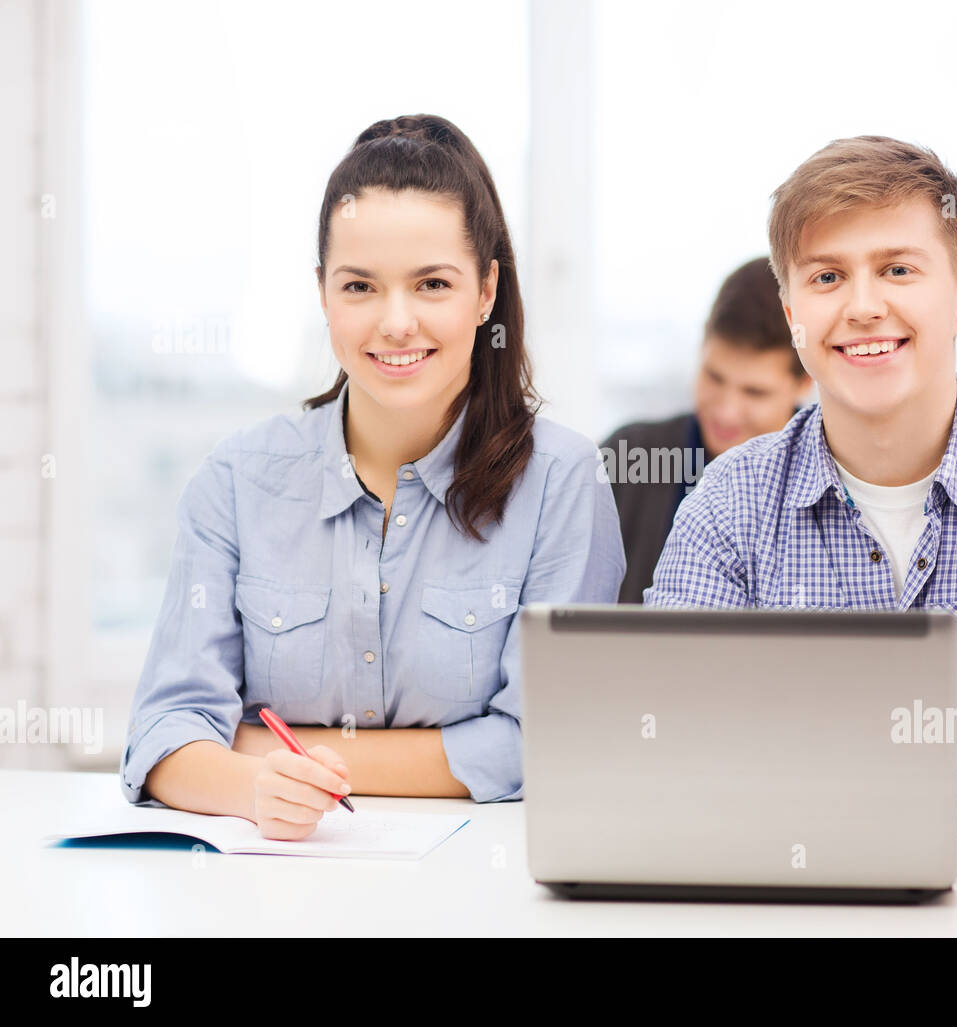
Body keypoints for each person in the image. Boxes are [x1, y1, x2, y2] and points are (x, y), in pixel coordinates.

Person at [644, 135, 957, 844]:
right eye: (826, 277)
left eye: (896, 269)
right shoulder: (726, 501)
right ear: (793, 314)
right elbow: (671, 738)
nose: (863, 306)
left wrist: (914, 809)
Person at [120, 115, 625, 839]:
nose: (395, 322)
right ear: (323, 292)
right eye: (360, 286)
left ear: (485, 293)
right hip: (277, 884)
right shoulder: (233, 481)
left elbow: (542, 744)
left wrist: (267, 749)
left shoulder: (563, 483)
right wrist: (253, 784)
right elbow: (164, 734)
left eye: (432, 284)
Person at [600, 257, 810, 603]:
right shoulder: (629, 457)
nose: (726, 412)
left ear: (805, 380)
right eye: (714, 377)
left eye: (754, 392)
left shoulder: (828, 480)